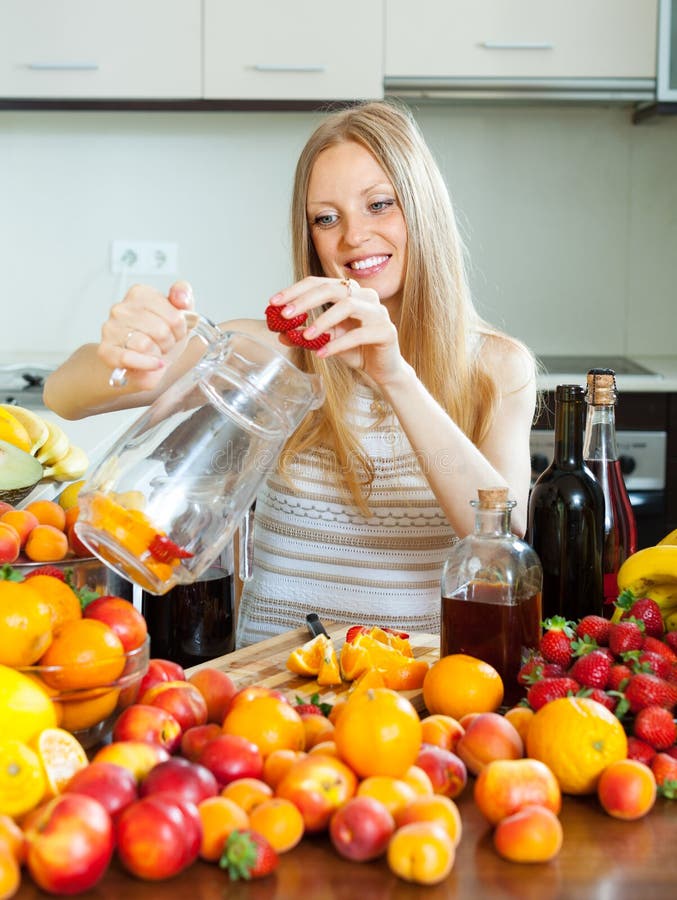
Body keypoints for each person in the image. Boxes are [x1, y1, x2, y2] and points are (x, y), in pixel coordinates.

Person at [44, 100, 536, 647]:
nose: (353, 236)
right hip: (266, 682)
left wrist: (395, 377)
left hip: (413, 686)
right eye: (327, 218)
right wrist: (126, 354)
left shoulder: (497, 368)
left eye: (379, 205)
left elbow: (501, 535)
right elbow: (64, 397)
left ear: (423, 209)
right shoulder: (275, 352)